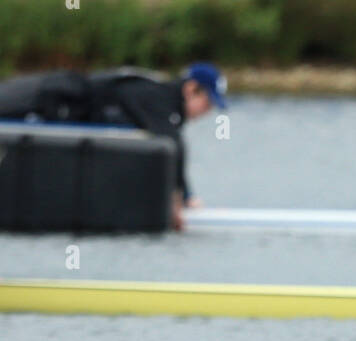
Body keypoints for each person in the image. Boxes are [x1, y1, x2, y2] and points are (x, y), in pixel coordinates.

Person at [0, 62, 227, 228]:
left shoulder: (164, 104)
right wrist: (184, 198)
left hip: (56, 99)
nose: (206, 113)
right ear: (191, 89)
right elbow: (171, 144)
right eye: (207, 103)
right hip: (51, 96)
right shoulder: (160, 98)